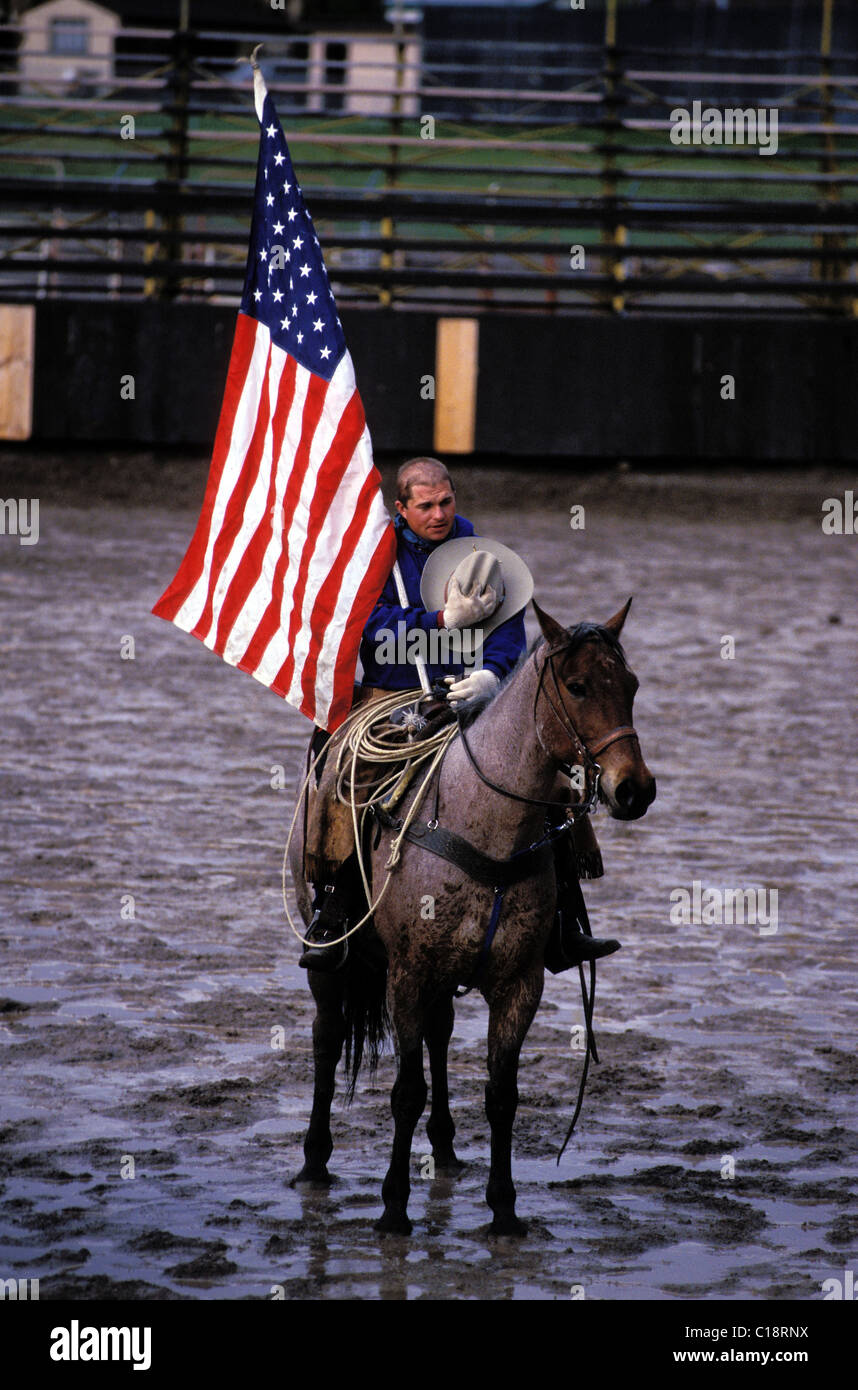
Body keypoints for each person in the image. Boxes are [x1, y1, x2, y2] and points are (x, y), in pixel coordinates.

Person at [299, 456, 619, 973]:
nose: (439, 514)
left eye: (446, 501)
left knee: (553, 779)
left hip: (471, 695)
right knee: (353, 776)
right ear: (400, 509)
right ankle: (336, 905)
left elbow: (511, 630)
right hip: (393, 696)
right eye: (425, 506)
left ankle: (565, 919)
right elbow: (372, 633)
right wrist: (441, 620)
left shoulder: (481, 556)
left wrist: (492, 675)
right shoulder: (375, 556)